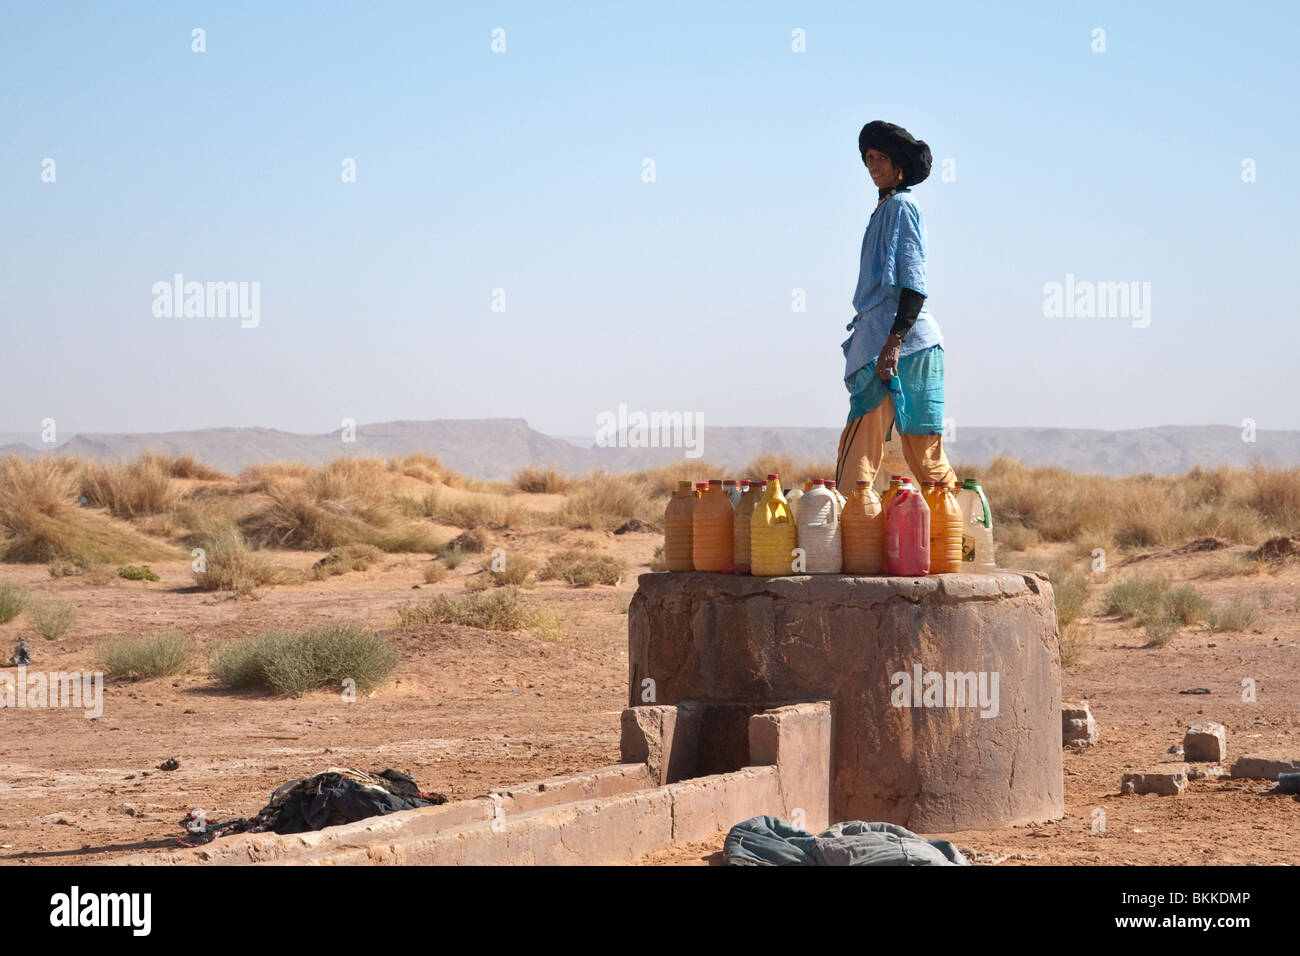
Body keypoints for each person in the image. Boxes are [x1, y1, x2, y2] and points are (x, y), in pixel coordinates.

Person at [835, 120, 957, 491]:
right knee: (921, 454)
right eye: (868, 158)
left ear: (898, 163)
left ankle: (848, 538)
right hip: (898, 343)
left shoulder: (901, 206)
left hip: (898, 345)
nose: (873, 165)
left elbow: (913, 284)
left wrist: (893, 344)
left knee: (862, 448)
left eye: (881, 158)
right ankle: (956, 539)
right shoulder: (884, 209)